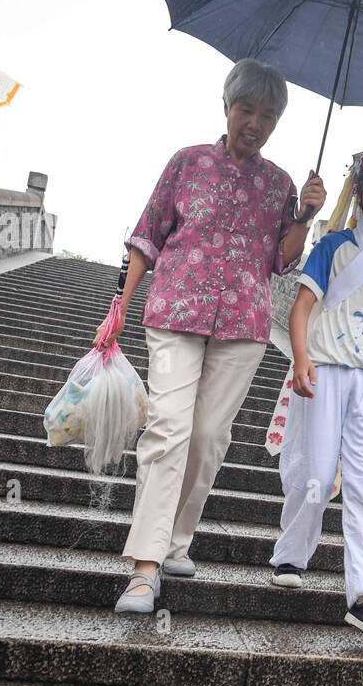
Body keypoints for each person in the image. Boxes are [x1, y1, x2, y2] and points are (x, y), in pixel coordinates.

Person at [108, 58, 325, 614]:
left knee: (207, 437)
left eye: (268, 116)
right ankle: (145, 568)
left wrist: (303, 214)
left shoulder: (279, 183)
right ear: (226, 107)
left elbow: (282, 259)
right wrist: (120, 305)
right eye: (246, 110)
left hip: (243, 325)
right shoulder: (187, 163)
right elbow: (146, 234)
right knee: (169, 428)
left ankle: (177, 540)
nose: (255, 123)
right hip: (175, 310)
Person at [268, 136, 363, 644]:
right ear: (357, 193)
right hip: (328, 368)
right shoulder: (332, 246)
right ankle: (291, 553)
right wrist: (301, 357)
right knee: (313, 469)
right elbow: (302, 307)